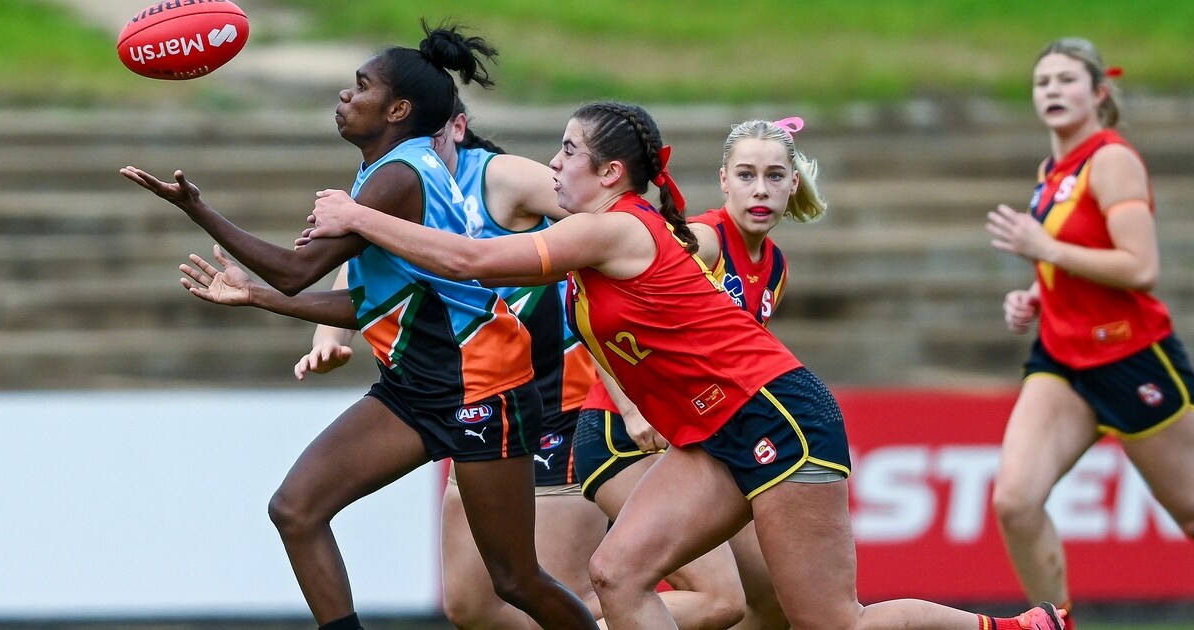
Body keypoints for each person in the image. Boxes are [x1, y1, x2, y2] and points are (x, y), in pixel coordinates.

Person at [303, 100, 1066, 630]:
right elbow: (449, 266)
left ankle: (1014, 627)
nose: (553, 163)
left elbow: (470, 260)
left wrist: (357, 214)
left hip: (780, 420)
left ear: (610, 174)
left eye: (568, 151)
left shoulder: (611, 229)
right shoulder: (611, 233)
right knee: (618, 574)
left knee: (830, 620)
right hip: (714, 433)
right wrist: (290, 293)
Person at [122, 21, 598, 630]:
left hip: (483, 388)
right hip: (416, 387)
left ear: (398, 110)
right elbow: (372, 304)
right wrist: (255, 297)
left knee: (515, 580)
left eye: (362, 85)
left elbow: (296, 271)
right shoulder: (390, 171)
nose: (346, 95)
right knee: (296, 509)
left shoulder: (399, 178)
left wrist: (198, 210)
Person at [295, 101, 608, 629]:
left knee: (542, 592)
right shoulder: (396, 181)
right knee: (472, 607)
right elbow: (361, 268)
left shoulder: (500, 178)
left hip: (558, 403)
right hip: (465, 398)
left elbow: (609, 224)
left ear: (456, 127)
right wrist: (327, 339)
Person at [571, 117, 823, 630]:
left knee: (773, 602)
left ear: (793, 183)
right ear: (724, 180)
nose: (760, 190)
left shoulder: (775, 267)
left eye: (774, 176)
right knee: (718, 599)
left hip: (699, 439)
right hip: (625, 433)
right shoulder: (702, 241)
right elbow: (598, 301)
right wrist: (633, 409)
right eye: (746, 175)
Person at [986, 37, 1194, 629]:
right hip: (1062, 358)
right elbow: (1070, 257)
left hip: (1131, 356)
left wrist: (1045, 249)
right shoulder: (1051, 170)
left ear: (1099, 93)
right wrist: (1036, 292)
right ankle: (1055, 624)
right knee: (1015, 502)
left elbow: (1140, 267)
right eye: (1042, 82)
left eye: (1066, 80)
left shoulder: (1112, 160)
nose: (1051, 90)